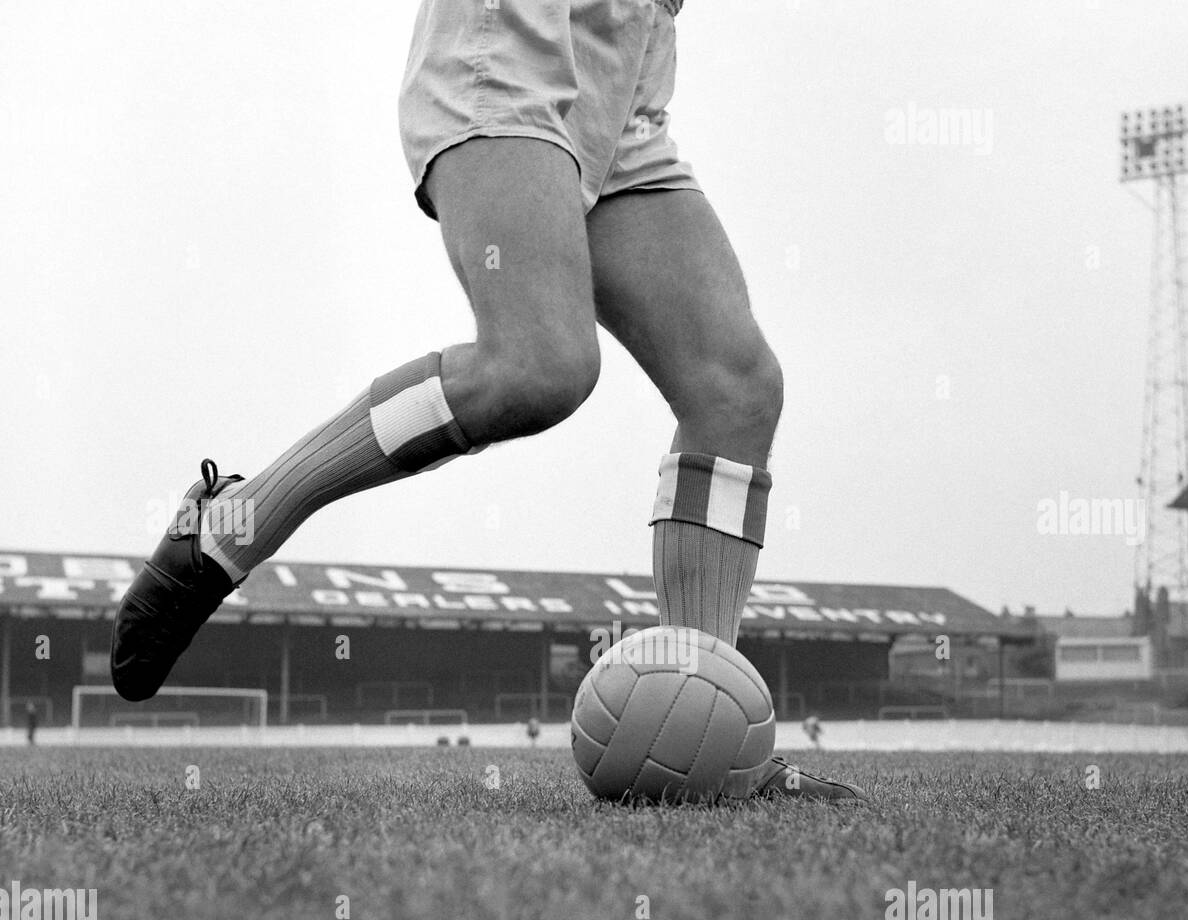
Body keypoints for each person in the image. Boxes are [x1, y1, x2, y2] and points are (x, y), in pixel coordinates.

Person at [111, 0, 858, 800]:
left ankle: (707, 739)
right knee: (539, 367)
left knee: (737, 391)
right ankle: (239, 521)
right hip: (514, 44)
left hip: (624, 80)